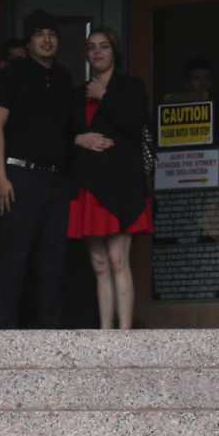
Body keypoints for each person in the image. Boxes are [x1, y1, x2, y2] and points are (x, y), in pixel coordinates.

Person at [0, 10, 82, 328]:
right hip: (19, 176)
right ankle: (6, 330)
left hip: (56, 179)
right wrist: (0, 177)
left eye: (52, 35)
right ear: (28, 42)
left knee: (53, 258)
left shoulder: (64, 78)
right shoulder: (12, 74)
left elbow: (69, 131)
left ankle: (49, 330)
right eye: (40, 34)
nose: (47, 40)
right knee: (14, 256)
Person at [68, 28, 152, 331]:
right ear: (87, 55)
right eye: (92, 47)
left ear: (114, 51)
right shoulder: (77, 93)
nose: (98, 52)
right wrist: (80, 139)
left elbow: (134, 123)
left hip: (122, 185)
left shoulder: (131, 86)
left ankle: (125, 334)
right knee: (99, 263)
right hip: (89, 184)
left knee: (118, 258)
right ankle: (105, 334)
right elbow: (64, 134)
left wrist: (105, 97)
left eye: (104, 46)